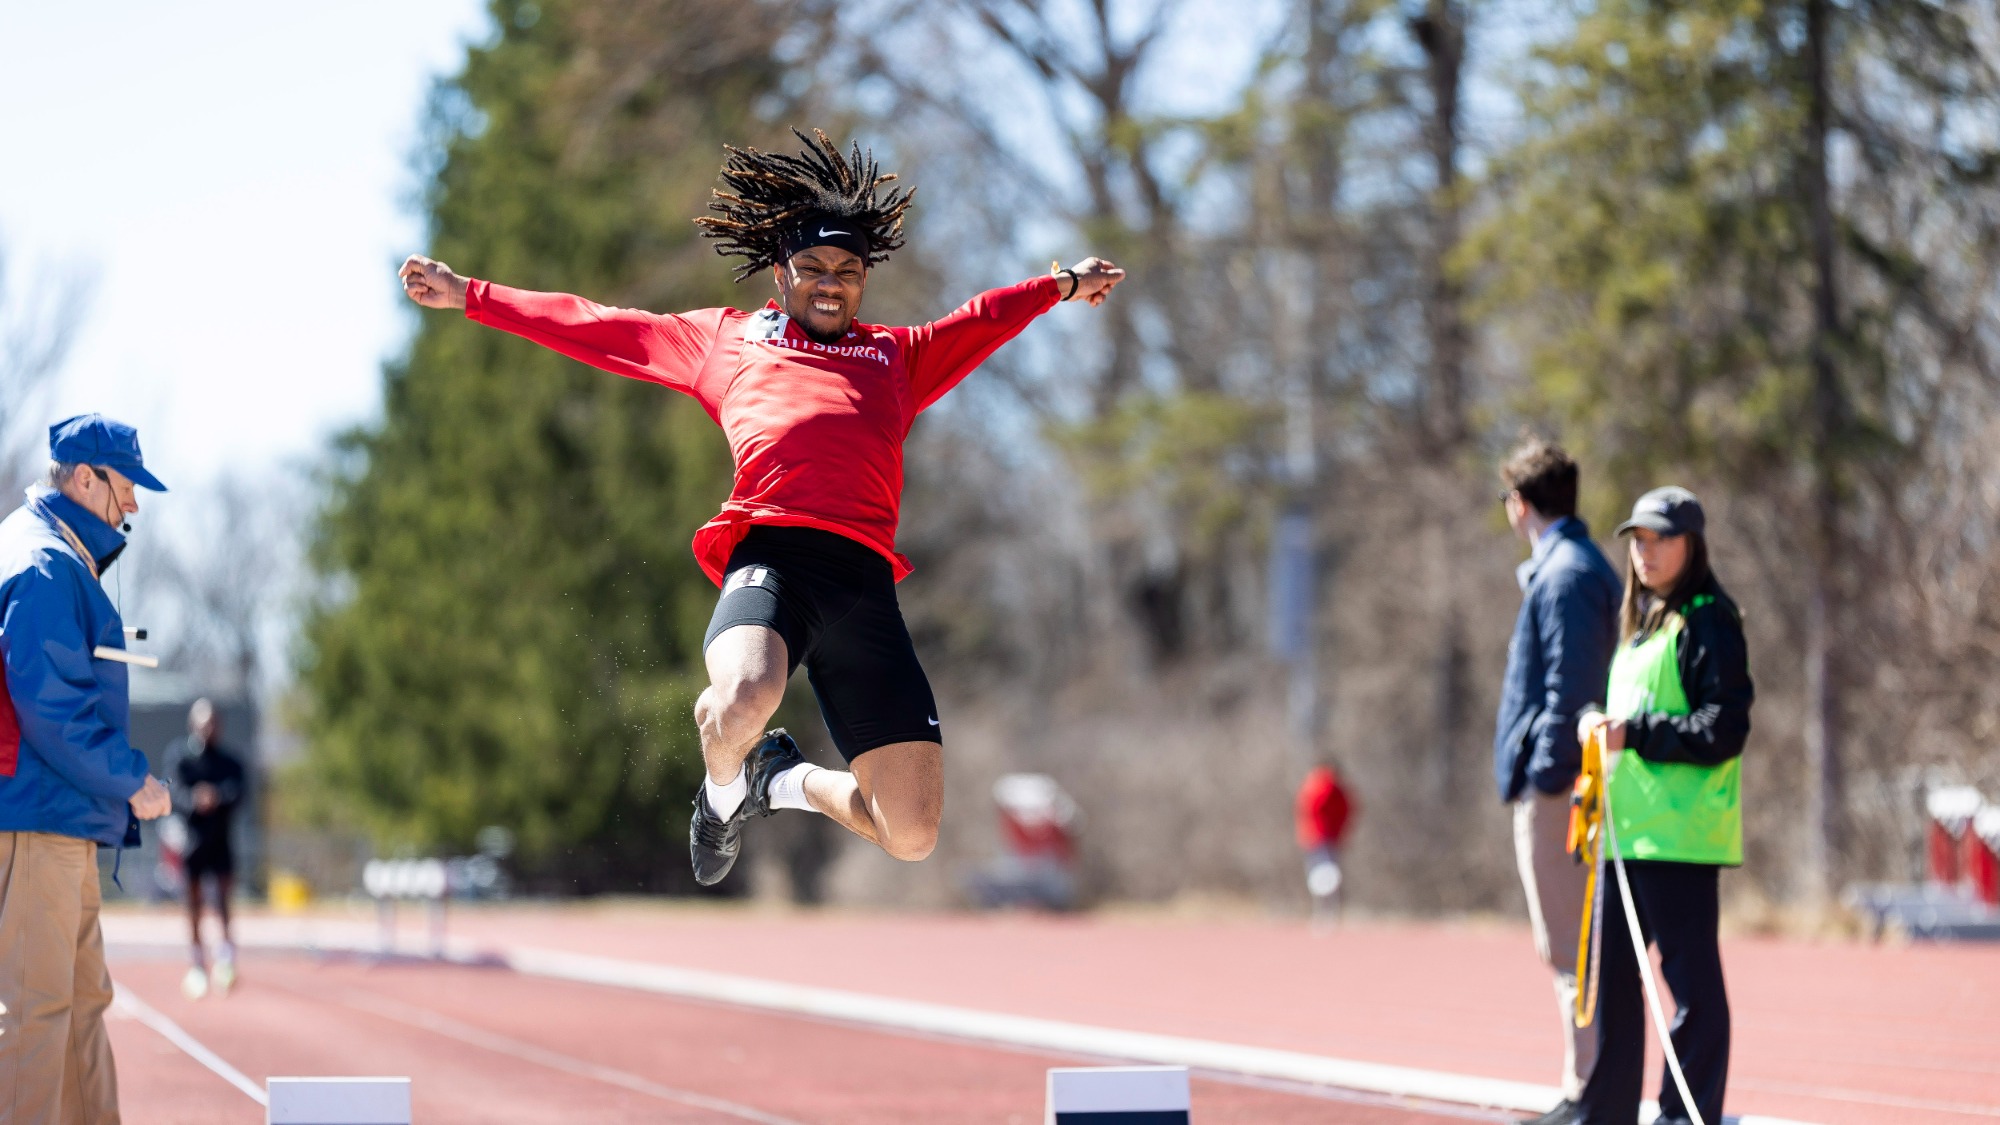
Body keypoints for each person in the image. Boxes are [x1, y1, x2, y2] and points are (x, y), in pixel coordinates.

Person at [401, 129, 1125, 885]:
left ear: (864, 280)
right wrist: (471, 294)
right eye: (812, 267)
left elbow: (981, 320)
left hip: (864, 587)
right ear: (781, 274)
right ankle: (720, 795)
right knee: (745, 694)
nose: (830, 282)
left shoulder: (897, 359)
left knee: (910, 831)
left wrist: (1062, 284)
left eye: (847, 270)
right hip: (772, 562)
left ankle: (775, 781)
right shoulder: (727, 341)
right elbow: (602, 326)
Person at [0, 414, 173, 1124]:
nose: (132, 504)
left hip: (55, 815)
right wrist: (132, 779)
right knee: (41, 1014)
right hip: (38, 815)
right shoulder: (44, 565)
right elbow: (51, 706)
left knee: (77, 1010)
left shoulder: (45, 551)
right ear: (81, 477)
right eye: (125, 485)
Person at [1576, 486, 1752, 1125]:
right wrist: (1594, 721)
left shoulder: (1709, 619)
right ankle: (1606, 1112)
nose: (1645, 552)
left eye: (1660, 538)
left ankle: (1686, 1115)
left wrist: (1638, 732)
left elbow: (1723, 726)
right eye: (1639, 540)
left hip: (1680, 837)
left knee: (1692, 993)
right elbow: (1622, 708)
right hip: (1627, 835)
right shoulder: (1643, 621)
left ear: (1691, 544)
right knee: (1614, 988)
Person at [1493, 435, 1621, 1125]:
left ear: (1520, 503)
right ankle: (1583, 1087)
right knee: (1568, 944)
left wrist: (1544, 775)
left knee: (1574, 944)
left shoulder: (1567, 572)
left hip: (1563, 788)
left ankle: (1589, 1096)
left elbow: (1569, 690)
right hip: (1565, 781)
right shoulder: (1568, 566)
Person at [171, 698, 246, 999]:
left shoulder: (230, 761)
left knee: (224, 900)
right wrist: (194, 799)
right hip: (192, 843)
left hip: (221, 841)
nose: (208, 729)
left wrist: (217, 798)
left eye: (213, 723)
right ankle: (197, 963)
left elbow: (239, 792)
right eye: (203, 723)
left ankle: (226, 960)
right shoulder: (181, 758)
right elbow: (174, 793)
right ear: (193, 725)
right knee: (193, 902)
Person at [1293, 757, 1355, 925]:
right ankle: (1324, 913)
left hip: (1323, 837)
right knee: (1320, 876)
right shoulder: (1321, 785)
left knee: (1327, 877)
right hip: (1318, 837)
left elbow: (1313, 808)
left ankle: (1328, 913)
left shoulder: (1322, 785)